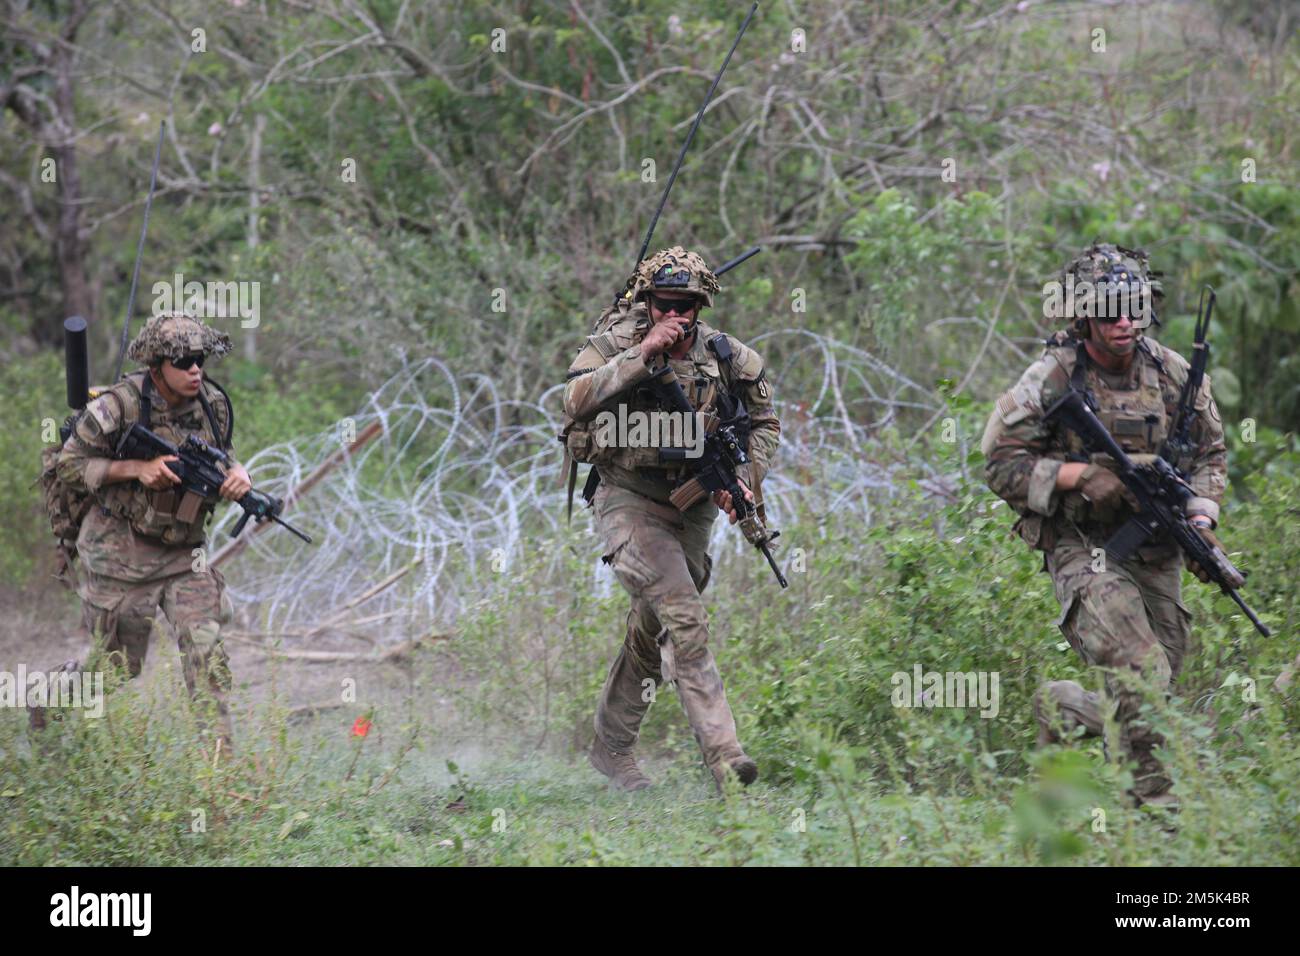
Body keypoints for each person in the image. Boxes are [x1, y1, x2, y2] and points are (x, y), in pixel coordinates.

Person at [983, 242, 1228, 807]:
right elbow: (999, 465)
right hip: (1084, 545)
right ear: (1085, 312)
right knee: (1141, 670)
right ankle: (1153, 817)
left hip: (1157, 544)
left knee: (1154, 690)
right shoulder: (1053, 378)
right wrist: (1075, 476)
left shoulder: (1173, 374)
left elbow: (1211, 455)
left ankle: (1064, 706)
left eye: (1134, 307)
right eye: (1111, 307)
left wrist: (1200, 516)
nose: (1124, 320)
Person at [562, 246, 780, 791]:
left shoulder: (727, 356)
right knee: (686, 618)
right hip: (627, 498)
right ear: (648, 301)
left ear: (701, 306)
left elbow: (764, 422)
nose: (675, 315)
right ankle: (725, 755)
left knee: (651, 627)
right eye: (665, 304)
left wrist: (744, 485)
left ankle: (611, 749)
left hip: (691, 506)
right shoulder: (614, 344)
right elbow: (575, 400)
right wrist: (642, 355)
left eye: (686, 305)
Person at [29, 312, 251, 755]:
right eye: (183, 360)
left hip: (184, 556)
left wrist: (237, 474)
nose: (195, 369)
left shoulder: (213, 403)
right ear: (156, 368)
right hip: (120, 556)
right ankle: (46, 699)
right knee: (115, 672)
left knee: (206, 658)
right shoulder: (116, 406)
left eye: (200, 359)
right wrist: (137, 469)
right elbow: (67, 465)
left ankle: (223, 780)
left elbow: (222, 454)